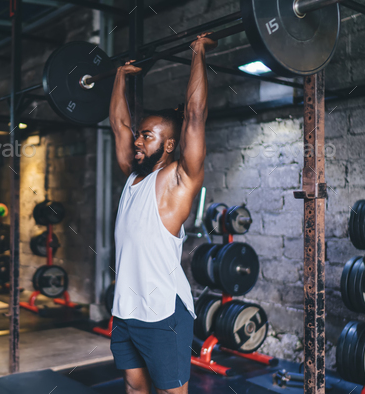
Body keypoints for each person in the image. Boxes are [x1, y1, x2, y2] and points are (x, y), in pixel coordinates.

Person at [108, 32, 217, 394]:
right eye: (139, 136)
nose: (138, 142)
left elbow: (195, 115)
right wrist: (121, 76)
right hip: (126, 308)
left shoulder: (178, 181)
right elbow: (119, 126)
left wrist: (197, 53)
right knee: (134, 386)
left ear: (169, 145)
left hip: (162, 313)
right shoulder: (133, 176)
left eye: (147, 136)